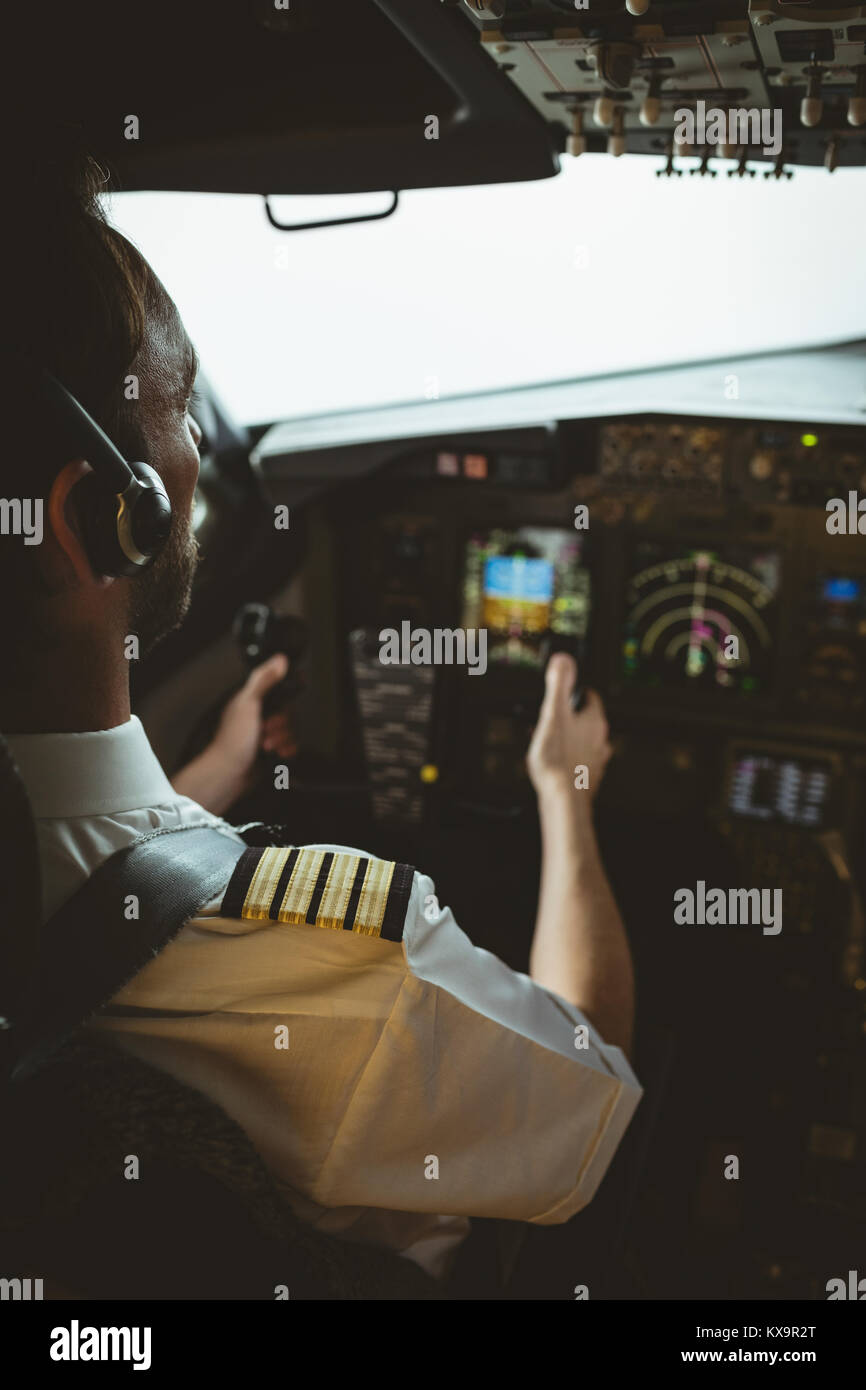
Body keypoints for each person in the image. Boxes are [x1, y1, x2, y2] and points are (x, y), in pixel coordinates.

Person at [1, 152, 641, 1285]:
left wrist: (202, 786)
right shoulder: (343, 974)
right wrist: (566, 794)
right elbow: (591, 1082)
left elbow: (57, 890)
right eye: (183, 404)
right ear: (99, 515)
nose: (199, 444)